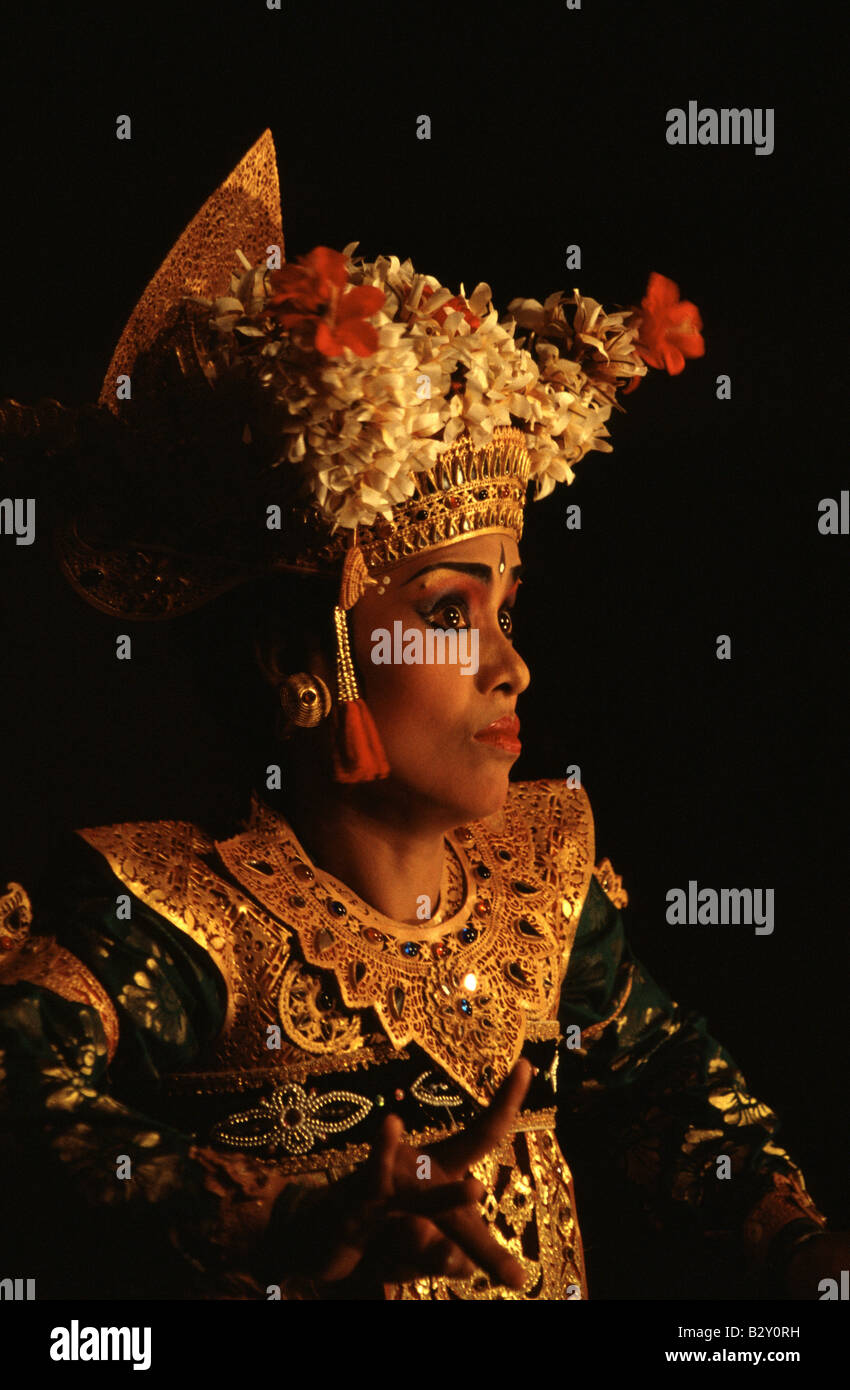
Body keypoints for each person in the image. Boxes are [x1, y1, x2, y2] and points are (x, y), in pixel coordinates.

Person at [0, 130, 841, 1301]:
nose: (512, 668)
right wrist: (282, 1216)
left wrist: (805, 1252)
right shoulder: (178, 922)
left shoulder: (544, 897)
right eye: (449, 612)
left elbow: (668, 1089)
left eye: (508, 607)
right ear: (304, 658)